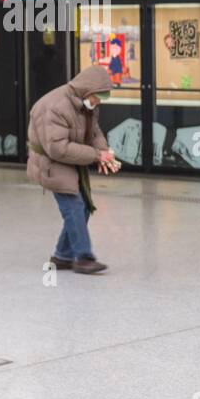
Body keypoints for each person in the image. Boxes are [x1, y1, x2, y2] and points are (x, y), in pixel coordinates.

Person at [26, 65, 121, 275]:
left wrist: (104, 153)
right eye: (97, 97)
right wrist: (96, 156)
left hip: (68, 159)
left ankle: (62, 256)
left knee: (83, 206)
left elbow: (94, 132)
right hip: (49, 161)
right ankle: (83, 258)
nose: (98, 102)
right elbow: (57, 148)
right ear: (88, 90)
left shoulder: (86, 103)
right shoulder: (55, 107)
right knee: (74, 206)